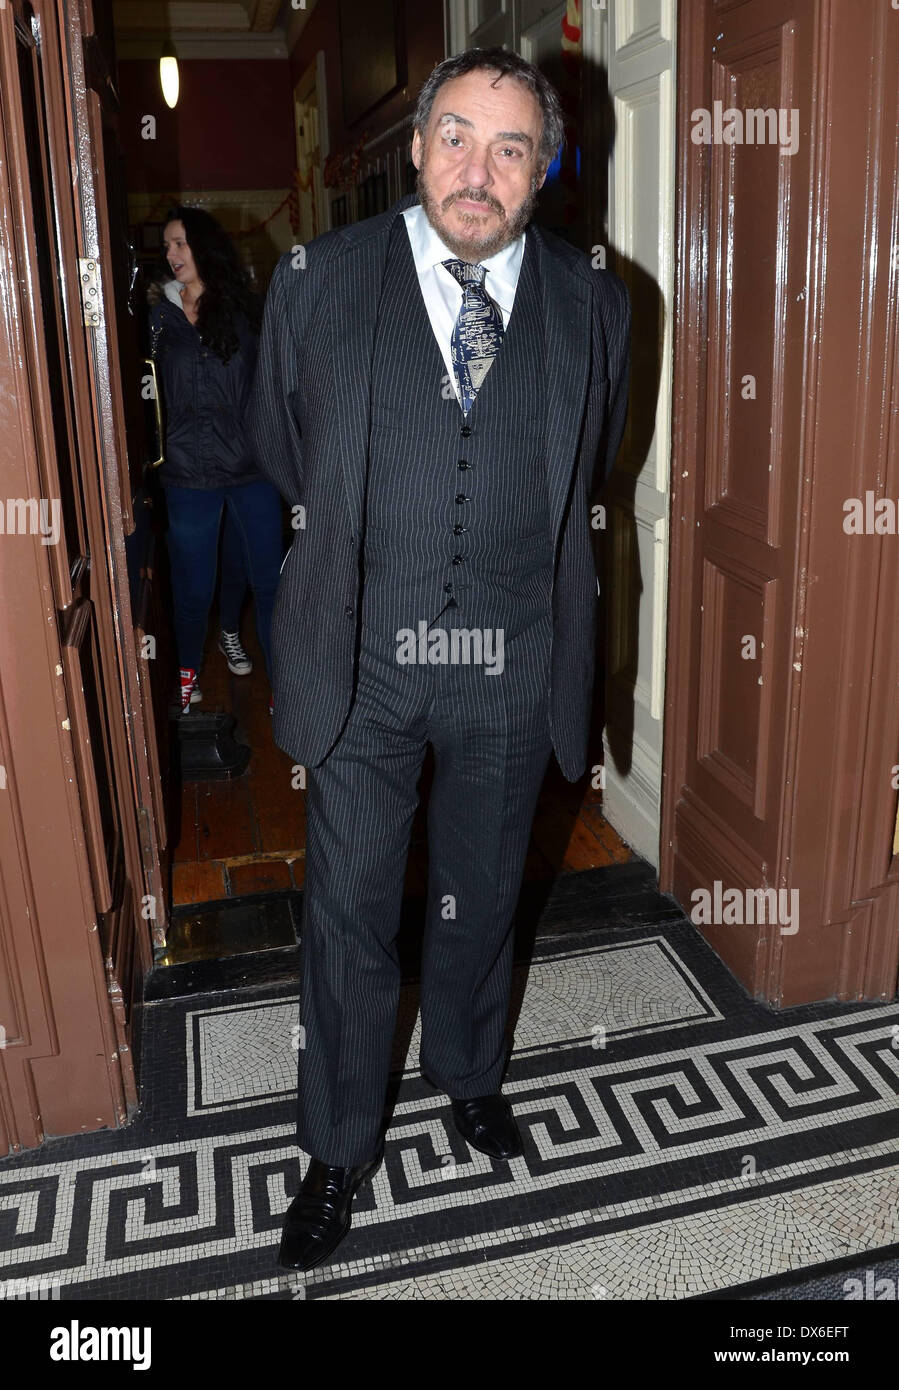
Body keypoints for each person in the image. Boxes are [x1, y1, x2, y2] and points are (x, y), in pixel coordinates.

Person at [249, 48, 630, 1271]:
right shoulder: (321, 282)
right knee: (350, 915)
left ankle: (468, 1074)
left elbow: (593, 458)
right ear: (414, 148)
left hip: (513, 664)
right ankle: (336, 1147)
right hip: (364, 658)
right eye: (455, 137)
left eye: (510, 147)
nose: (478, 169)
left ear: (542, 170)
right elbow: (279, 443)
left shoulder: (595, 300)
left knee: (479, 896)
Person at [148, 204, 282, 715]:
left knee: (266, 582)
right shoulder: (156, 317)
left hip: (251, 469)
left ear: (204, 247)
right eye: (167, 246)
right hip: (188, 473)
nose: (171, 254)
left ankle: (282, 687)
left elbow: (275, 383)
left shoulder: (246, 309)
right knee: (191, 589)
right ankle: (186, 675)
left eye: (180, 243)